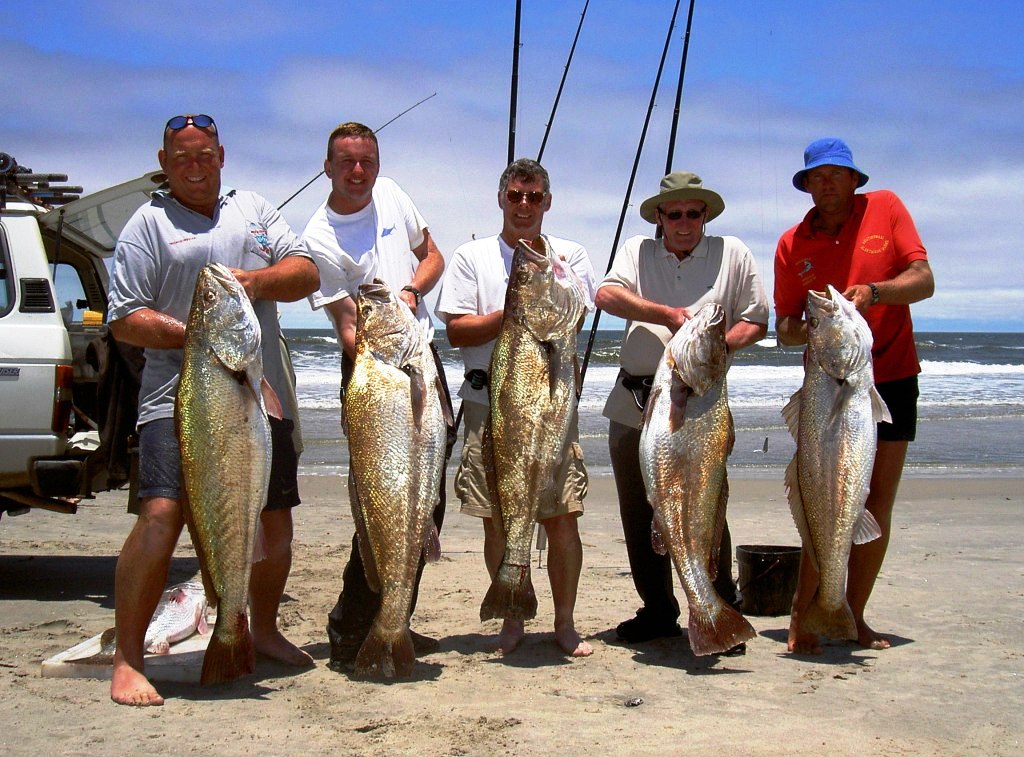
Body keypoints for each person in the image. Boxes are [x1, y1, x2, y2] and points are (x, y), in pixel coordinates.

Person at [107, 114, 320, 706]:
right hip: (174, 402)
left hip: (258, 396)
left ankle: (257, 626)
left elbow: (305, 270)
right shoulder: (146, 226)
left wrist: (252, 282)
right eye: (182, 158)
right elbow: (126, 318)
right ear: (164, 159)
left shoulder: (252, 208)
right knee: (160, 515)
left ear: (222, 154)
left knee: (273, 517)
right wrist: (200, 332)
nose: (195, 166)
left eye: (204, 155)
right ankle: (128, 658)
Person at [300, 121, 453, 670]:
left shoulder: (391, 195)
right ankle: (350, 628)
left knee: (425, 501)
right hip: (373, 372)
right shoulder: (317, 236)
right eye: (347, 162)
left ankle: (397, 622)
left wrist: (410, 293)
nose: (358, 171)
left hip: (418, 360)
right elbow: (347, 325)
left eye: (366, 160)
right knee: (381, 501)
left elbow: (431, 256)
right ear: (328, 167)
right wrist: (382, 341)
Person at [595, 171, 769, 647]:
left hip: (702, 399)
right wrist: (669, 317)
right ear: (660, 218)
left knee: (706, 501)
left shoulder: (733, 253)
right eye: (675, 214)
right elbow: (606, 294)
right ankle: (658, 609)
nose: (685, 222)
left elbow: (756, 319)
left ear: (706, 215)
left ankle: (720, 602)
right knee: (641, 509)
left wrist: (714, 350)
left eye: (695, 213)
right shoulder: (638, 251)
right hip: (636, 398)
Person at [774, 137, 934, 654]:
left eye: (835, 174)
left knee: (875, 503)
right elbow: (785, 327)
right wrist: (814, 326)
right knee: (824, 498)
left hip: (891, 377)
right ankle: (804, 615)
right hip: (825, 384)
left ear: (853, 179)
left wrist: (875, 293)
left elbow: (924, 279)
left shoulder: (886, 208)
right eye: (815, 176)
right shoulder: (790, 243)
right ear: (806, 185)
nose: (825, 183)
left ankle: (851, 612)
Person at [434, 158, 597, 657]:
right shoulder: (472, 256)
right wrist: (514, 308)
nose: (524, 205)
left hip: (552, 412)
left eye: (534, 196)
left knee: (563, 516)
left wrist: (534, 294)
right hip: (490, 408)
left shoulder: (571, 255)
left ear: (548, 201)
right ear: (501, 199)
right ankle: (512, 614)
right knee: (496, 519)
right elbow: (457, 329)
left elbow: (578, 310)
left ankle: (565, 622)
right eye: (515, 196)